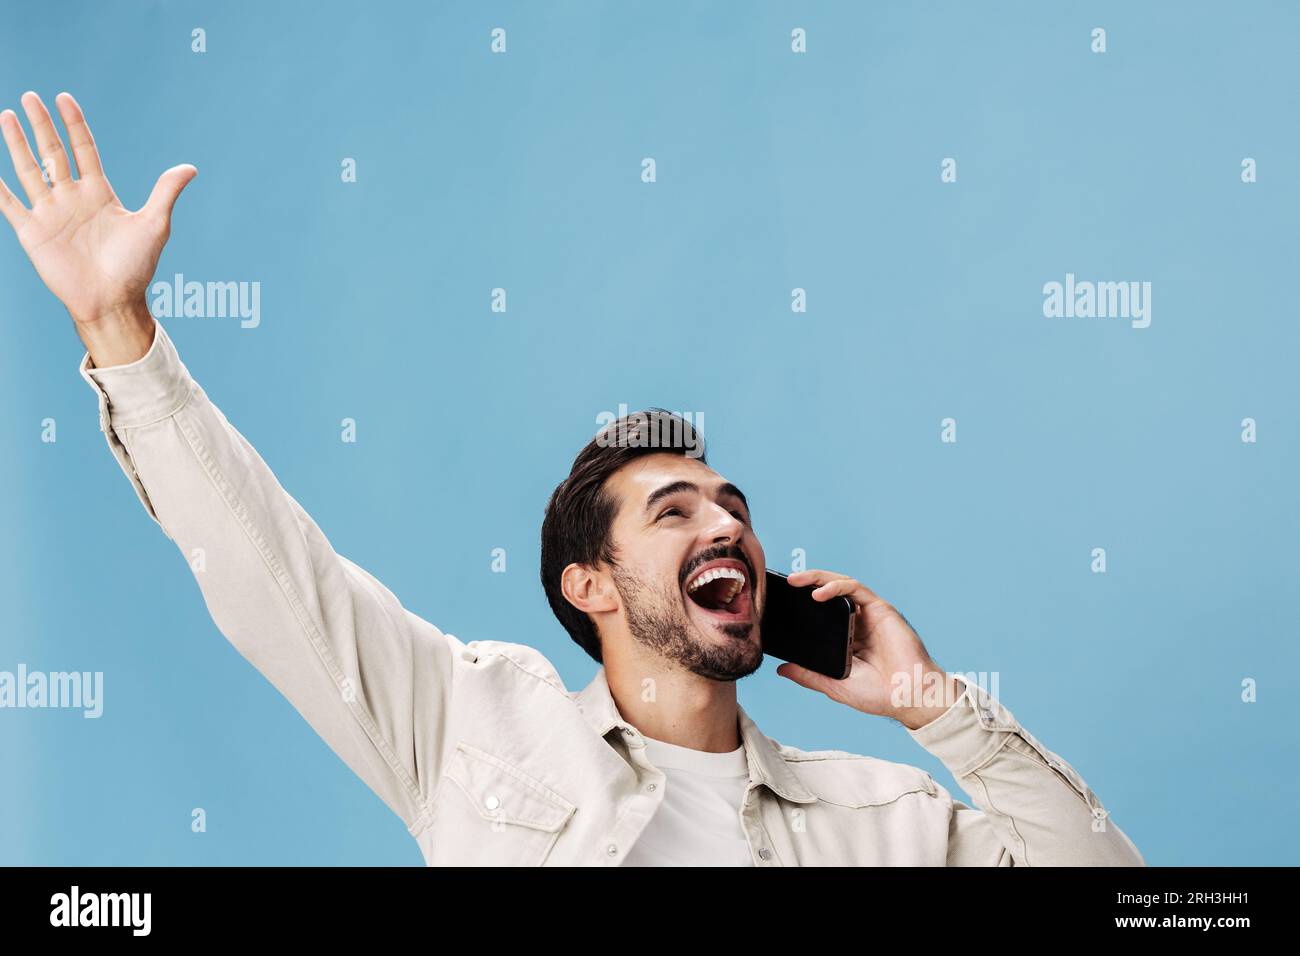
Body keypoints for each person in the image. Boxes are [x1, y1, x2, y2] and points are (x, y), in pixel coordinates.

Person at [0, 91, 1144, 867]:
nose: (727, 526)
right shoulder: (473, 727)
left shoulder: (879, 816)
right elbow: (272, 576)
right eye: (675, 508)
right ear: (589, 585)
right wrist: (118, 324)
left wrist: (933, 708)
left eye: (734, 507)